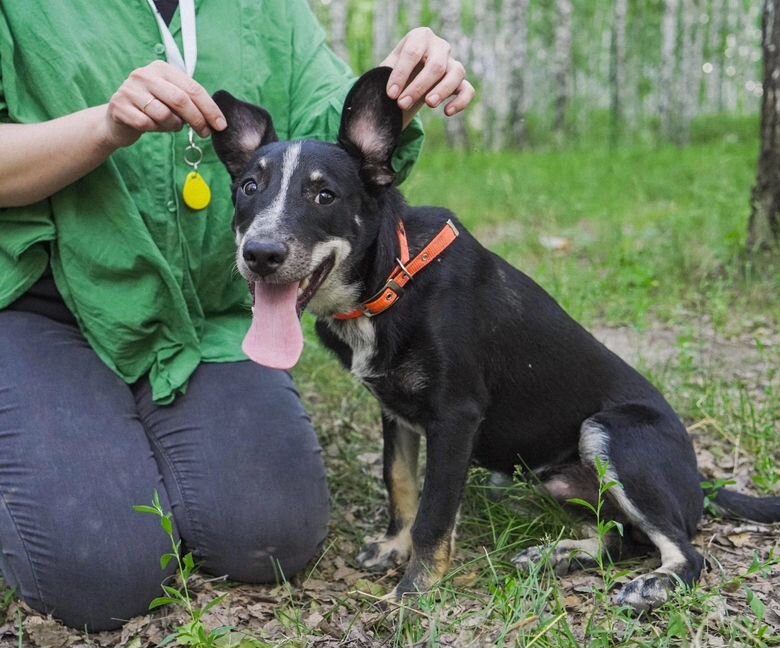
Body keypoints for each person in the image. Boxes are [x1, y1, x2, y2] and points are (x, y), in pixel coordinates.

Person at [0, 0, 474, 632]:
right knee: (99, 572)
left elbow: (324, 136)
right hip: (40, 310)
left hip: (207, 319)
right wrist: (104, 127)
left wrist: (394, 87)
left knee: (269, 538)